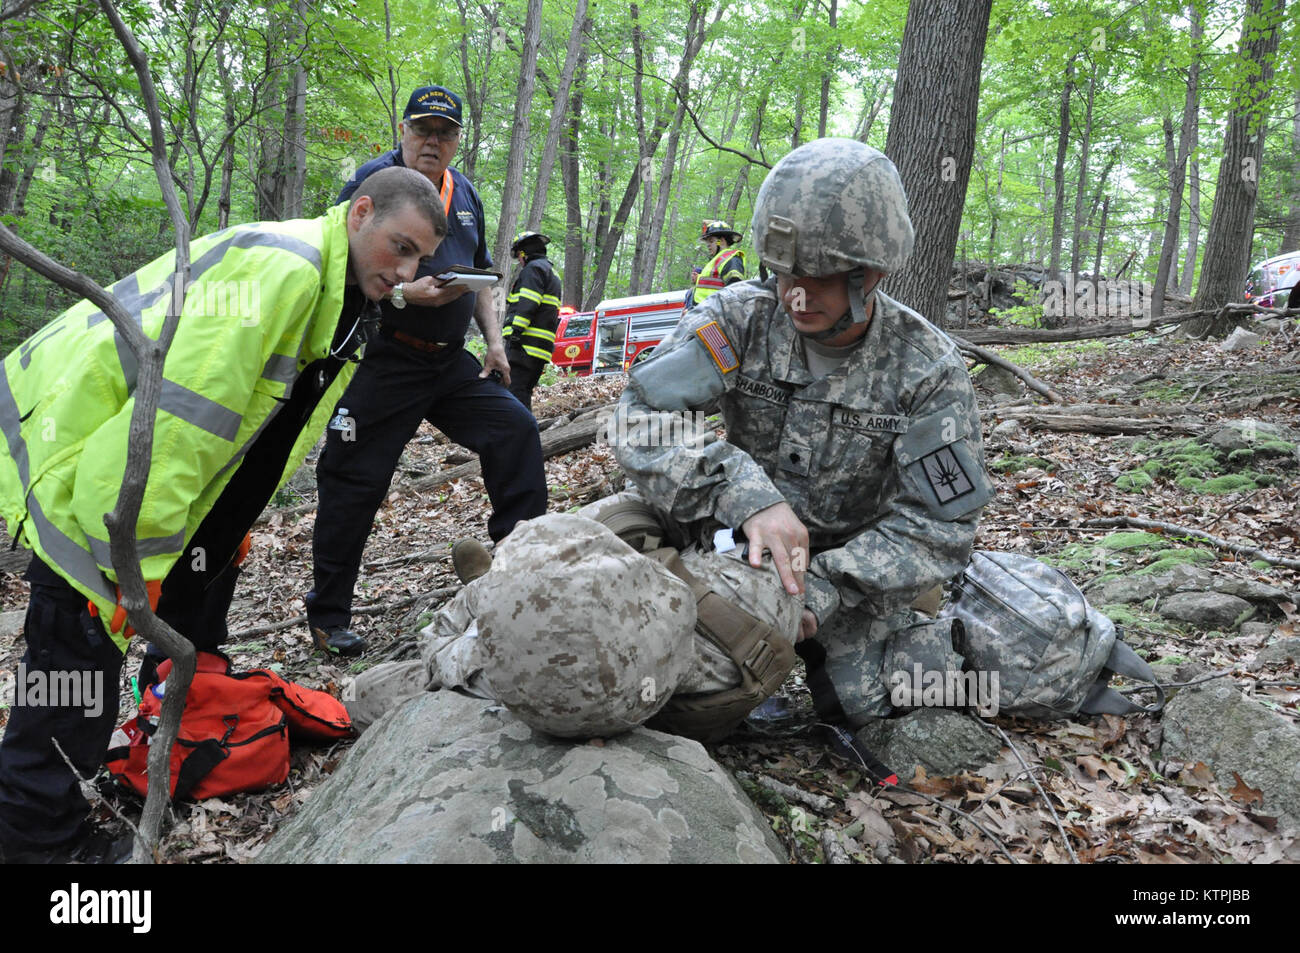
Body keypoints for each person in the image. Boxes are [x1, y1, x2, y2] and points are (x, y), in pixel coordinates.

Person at [0, 166, 447, 863]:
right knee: (73, 673)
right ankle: (39, 847)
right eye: (401, 246)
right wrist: (136, 562)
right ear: (360, 213)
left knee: (91, 668)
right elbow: (180, 418)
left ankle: (77, 805)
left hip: (126, 485)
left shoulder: (341, 296)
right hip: (92, 473)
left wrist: (221, 531)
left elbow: (263, 427)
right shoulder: (288, 272)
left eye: (420, 257)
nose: (408, 269)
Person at [611, 138, 995, 728]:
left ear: (872, 274)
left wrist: (820, 589)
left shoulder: (925, 368)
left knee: (865, 705)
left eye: (818, 276)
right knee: (609, 535)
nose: (796, 291)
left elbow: (939, 527)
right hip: (728, 537)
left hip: (849, 576)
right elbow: (640, 417)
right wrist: (744, 493)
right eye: (785, 270)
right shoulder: (739, 317)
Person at [307, 85, 549, 657]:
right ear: (404, 130)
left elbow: (483, 276)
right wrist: (402, 294)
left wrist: (493, 343)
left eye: (444, 133)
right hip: (382, 357)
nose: (432, 142)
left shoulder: (465, 194)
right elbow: (338, 263)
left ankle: (520, 571)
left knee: (515, 430)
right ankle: (329, 615)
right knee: (353, 481)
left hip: (449, 362)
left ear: (458, 140)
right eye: (423, 129)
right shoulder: (373, 182)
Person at [346, 504, 801, 743]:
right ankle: (507, 585)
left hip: (559, 673)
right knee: (636, 519)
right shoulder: (748, 595)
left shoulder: (509, 665)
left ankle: (499, 586)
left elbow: (434, 653)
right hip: (708, 675)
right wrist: (802, 609)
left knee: (369, 691)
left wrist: (486, 600)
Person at [500, 231, 562, 410]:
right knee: (523, 393)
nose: (519, 261)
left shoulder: (533, 269)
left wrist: (516, 333)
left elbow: (528, 303)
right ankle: (524, 433)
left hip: (524, 346)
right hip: (539, 349)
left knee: (513, 394)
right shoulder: (550, 271)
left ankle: (518, 434)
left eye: (519, 256)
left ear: (523, 254)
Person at [687, 220, 747, 309]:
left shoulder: (731, 259)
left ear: (721, 241)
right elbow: (713, 284)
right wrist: (698, 279)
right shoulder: (717, 260)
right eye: (707, 242)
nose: (708, 245)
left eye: (711, 241)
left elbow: (735, 290)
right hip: (703, 313)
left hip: (714, 314)